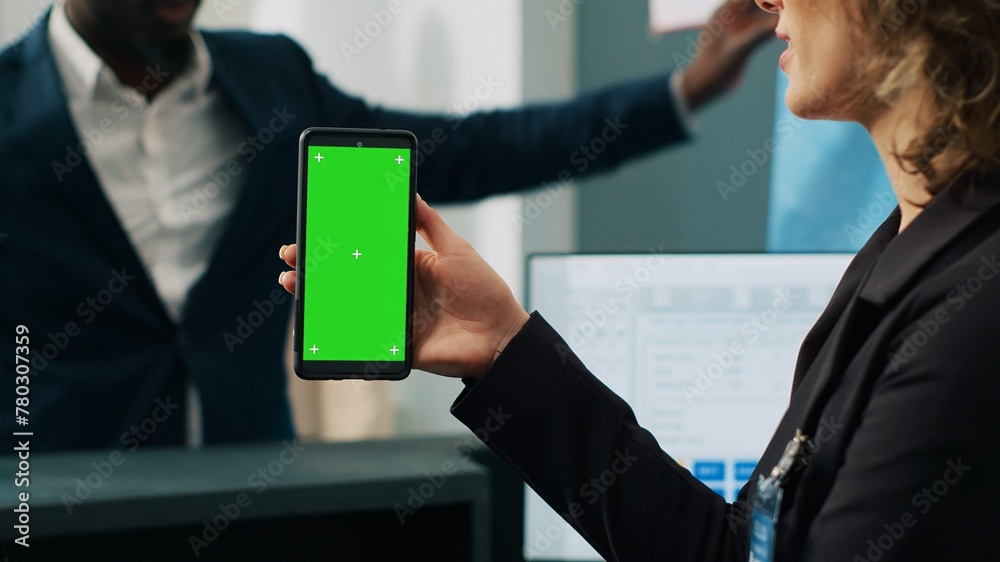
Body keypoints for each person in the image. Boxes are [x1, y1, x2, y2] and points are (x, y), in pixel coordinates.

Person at [277, 0, 1000, 559]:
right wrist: (501, 349)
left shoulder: (973, 310)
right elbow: (732, 552)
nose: (767, 0)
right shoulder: (900, 251)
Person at [0, 0, 776, 451]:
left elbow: (475, 149)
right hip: (56, 498)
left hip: (248, 484)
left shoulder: (272, 78)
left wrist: (684, 93)